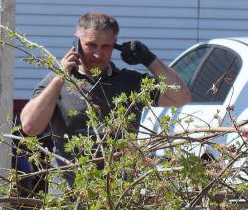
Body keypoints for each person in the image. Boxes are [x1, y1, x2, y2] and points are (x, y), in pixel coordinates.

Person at [19, 13, 192, 166]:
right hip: (69, 196)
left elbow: (181, 98)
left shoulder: (131, 82)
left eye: (105, 47)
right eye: (91, 45)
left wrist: (149, 59)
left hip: (119, 194)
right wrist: (60, 77)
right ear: (76, 42)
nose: (98, 54)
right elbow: (30, 127)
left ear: (115, 45)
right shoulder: (55, 83)